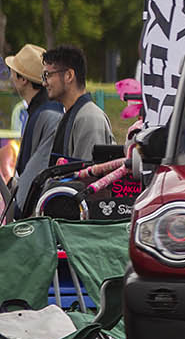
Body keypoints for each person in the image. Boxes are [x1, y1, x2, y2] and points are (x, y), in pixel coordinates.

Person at [25, 46, 112, 205]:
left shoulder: (89, 118)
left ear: (69, 75)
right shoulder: (73, 115)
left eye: (48, 75)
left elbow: (87, 183)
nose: (44, 83)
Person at [4, 44, 59, 217]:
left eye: (14, 72)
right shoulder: (43, 110)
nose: (11, 76)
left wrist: (19, 209)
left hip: (36, 212)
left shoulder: (46, 114)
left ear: (23, 79)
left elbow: (38, 168)